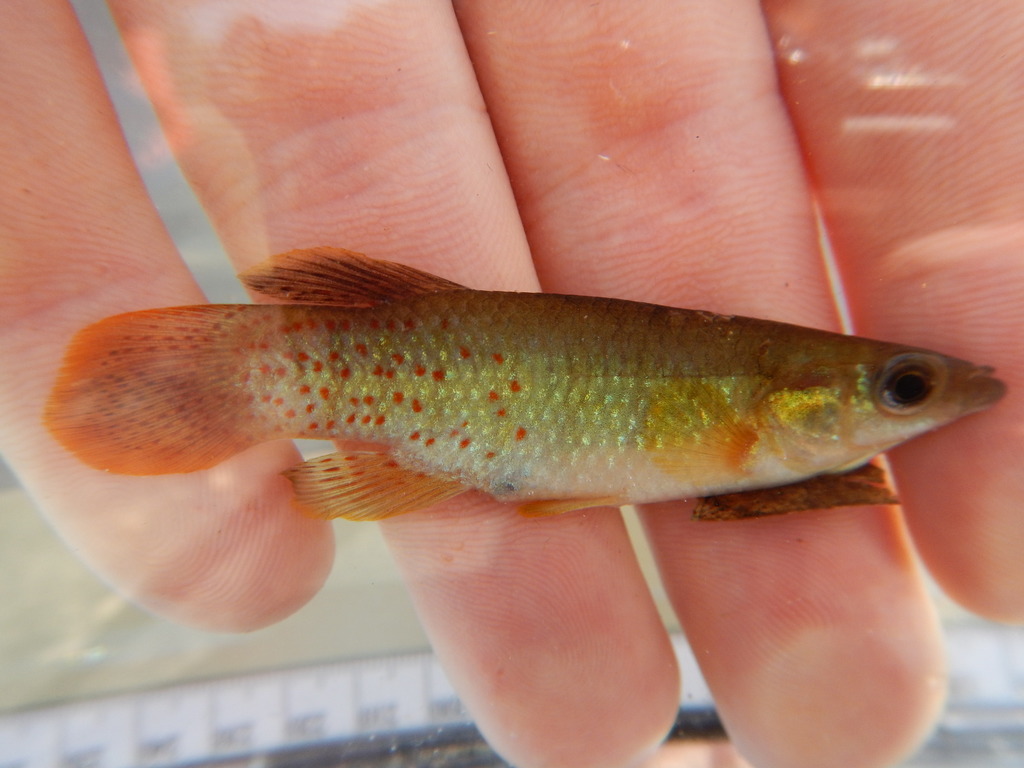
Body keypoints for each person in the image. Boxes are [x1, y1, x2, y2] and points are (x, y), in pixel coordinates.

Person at [1, 2, 1020, 767]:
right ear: (798, 397)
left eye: (906, 387)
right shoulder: (759, 435)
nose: (925, 401)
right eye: (902, 388)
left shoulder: (777, 438)